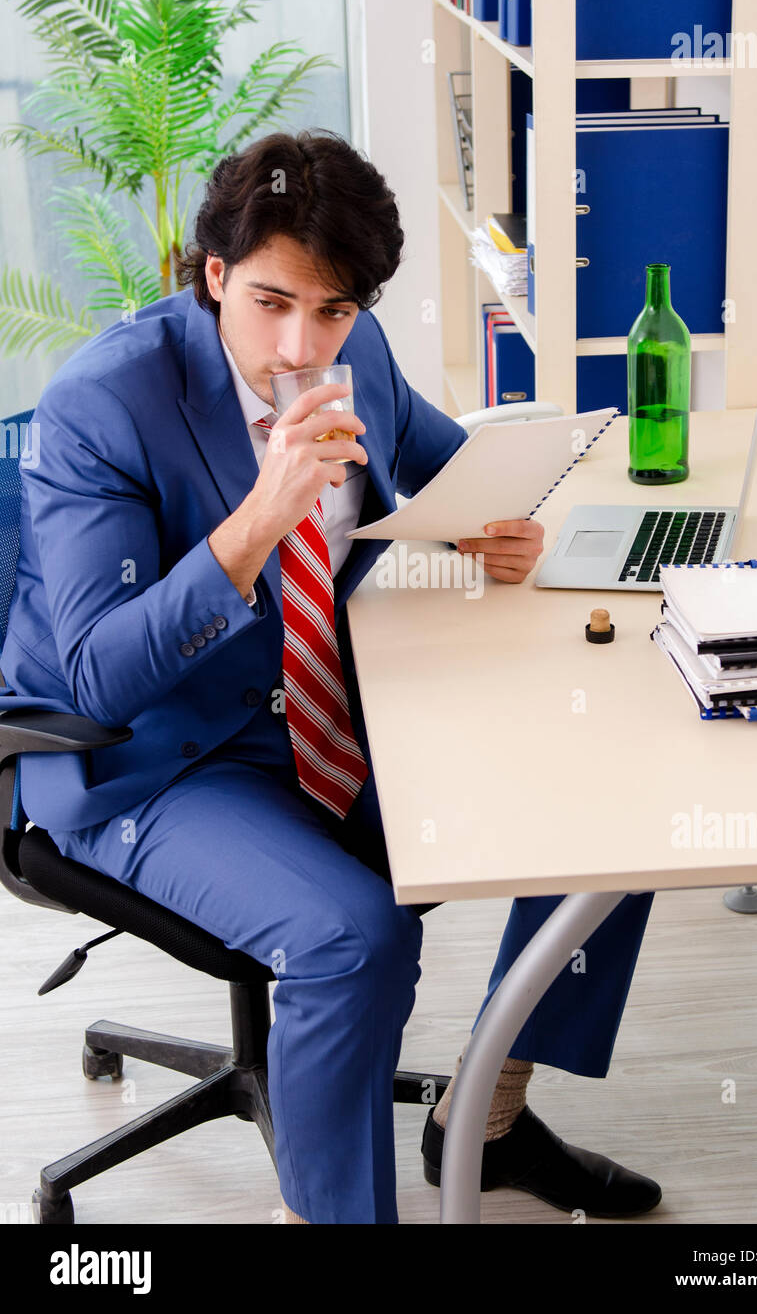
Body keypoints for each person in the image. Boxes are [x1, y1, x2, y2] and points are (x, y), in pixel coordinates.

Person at [1, 129, 660, 1224]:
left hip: (327, 711)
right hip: (149, 758)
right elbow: (97, 673)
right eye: (268, 303)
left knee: (608, 799)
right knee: (351, 934)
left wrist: (482, 530)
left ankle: (486, 1119)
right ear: (214, 276)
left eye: (333, 310)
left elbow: (442, 469)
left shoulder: (361, 351)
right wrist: (258, 519)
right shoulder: (103, 407)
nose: (298, 345)